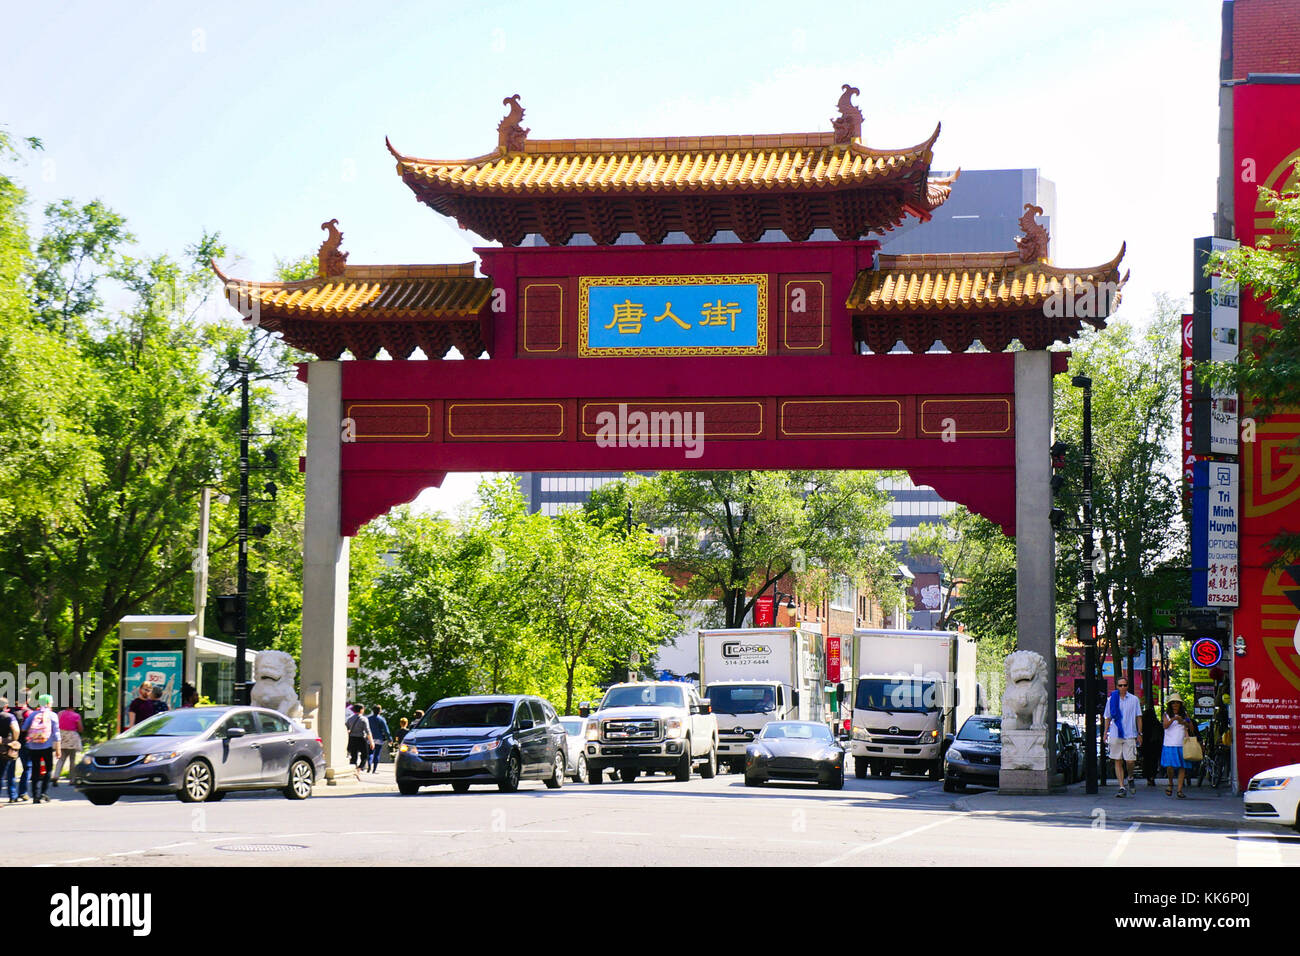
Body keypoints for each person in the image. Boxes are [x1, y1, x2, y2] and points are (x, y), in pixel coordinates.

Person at [1102, 676, 1142, 797]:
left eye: (1125, 685)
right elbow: (1107, 717)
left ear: (1128, 686)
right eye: (1120, 685)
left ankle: (1130, 777)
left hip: (1130, 734)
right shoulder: (1111, 699)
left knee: (1130, 761)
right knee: (1117, 759)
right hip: (1115, 733)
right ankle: (1121, 786)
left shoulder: (1134, 700)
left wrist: (1140, 733)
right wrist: (1105, 732)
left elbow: (1138, 717)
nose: (1122, 687)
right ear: (1116, 686)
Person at [21, 694, 61, 804]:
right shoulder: (53, 715)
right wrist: (58, 749)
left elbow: (24, 728)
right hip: (47, 746)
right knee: (48, 769)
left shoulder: (33, 714)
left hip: (33, 746)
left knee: (35, 769)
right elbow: (56, 733)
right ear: (48, 703)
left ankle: (35, 796)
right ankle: (44, 792)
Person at [1162, 695, 1194, 798]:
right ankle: (1170, 783)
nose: (1175, 705)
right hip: (1169, 743)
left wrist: (1183, 721)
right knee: (1170, 766)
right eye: (1173, 703)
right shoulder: (1166, 714)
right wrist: (1173, 719)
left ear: (1180, 704)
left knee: (1182, 767)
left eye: (1177, 703)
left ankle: (1179, 789)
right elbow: (1165, 726)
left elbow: (1191, 727)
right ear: (1170, 705)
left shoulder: (1184, 714)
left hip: (1182, 743)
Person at [52, 705, 84, 787]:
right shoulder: (76, 716)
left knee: (61, 759)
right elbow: (80, 729)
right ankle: (72, 779)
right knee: (72, 760)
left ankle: (56, 776)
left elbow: (56, 725)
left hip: (61, 736)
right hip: (72, 738)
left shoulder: (60, 713)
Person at [1, 698, 20, 803]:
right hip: (4, 747)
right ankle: (12, 795)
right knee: (4, 772)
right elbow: (16, 730)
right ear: (6, 706)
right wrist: (14, 740)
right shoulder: (9, 717)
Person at [1140, 704, 1162, 787]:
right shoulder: (1156, 723)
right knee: (1154, 762)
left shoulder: (1143, 723)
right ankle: (1152, 777)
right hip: (1155, 745)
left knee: (1146, 761)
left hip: (1146, 745)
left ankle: (1148, 777)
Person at [346, 704, 373, 770]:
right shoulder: (363, 719)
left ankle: (353, 769)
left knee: (353, 756)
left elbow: (346, 728)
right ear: (361, 710)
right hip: (361, 739)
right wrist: (371, 742)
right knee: (365, 755)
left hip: (352, 739)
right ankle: (359, 768)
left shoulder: (350, 719)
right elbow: (368, 731)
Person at [367, 704, 391, 773]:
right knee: (377, 754)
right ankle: (374, 769)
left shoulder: (369, 719)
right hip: (379, 738)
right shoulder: (382, 719)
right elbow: (386, 730)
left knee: (370, 753)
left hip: (370, 738)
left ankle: (369, 766)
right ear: (380, 711)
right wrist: (390, 739)